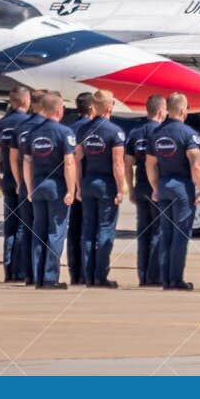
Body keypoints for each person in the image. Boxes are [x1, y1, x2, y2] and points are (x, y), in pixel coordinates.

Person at [146, 91, 200, 291]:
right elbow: (196, 164)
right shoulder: (188, 134)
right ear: (182, 110)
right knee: (180, 235)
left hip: (163, 186)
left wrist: (155, 187)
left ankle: (165, 279)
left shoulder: (156, 133)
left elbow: (150, 164)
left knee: (166, 233)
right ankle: (176, 279)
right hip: (181, 187)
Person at [21, 91, 78, 289]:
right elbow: (69, 163)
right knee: (55, 232)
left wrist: (29, 188)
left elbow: (27, 162)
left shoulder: (32, 133)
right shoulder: (65, 133)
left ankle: (37, 276)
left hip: (37, 186)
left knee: (39, 231)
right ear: (59, 110)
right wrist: (71, 190)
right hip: (56, 187)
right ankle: (50, 277)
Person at [77, 90, 128, 288]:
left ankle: (88, 275)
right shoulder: (115, 131)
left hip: (89, 182)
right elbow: (118, 163)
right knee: (105, 230)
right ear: (109, 107)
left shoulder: (83, 130)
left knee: (88, 230)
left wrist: (78, 187)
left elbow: (77, 159)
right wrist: (120, 188)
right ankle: (100, 275)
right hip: (106, 185)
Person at [0, 87, 33, 283]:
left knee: (10, 226)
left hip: (7, 178)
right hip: (24, 181)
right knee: (24, 226)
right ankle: (21, 270)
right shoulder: (28, 124)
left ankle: (9, 270)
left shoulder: (0, 124)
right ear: (26, 101)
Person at [126, 94, 167, 286]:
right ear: (160, 111)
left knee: (143, 233)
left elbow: (127, 163)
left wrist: (131, 188)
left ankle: (142, 276)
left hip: (140, 186)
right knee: (157, 232)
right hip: (156, 187)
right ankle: (154, 276)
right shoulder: (162, 133)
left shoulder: (135, 133)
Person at [12, 89, 50, 286]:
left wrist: (20, 183)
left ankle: (29, 274)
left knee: (27, 229)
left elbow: (13, 158)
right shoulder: (50, 128)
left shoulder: (21, 128)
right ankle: (45, 274)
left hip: (27, 186)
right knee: (47, 230)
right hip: (46, 184)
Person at [63, 91, 95, 285]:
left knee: (73, 230)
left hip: (71, 185)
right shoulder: (92, 128)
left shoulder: (68, 128)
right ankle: (86, 272)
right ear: (92, 107)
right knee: (87, 229)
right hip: (86, 184)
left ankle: (74, 273)